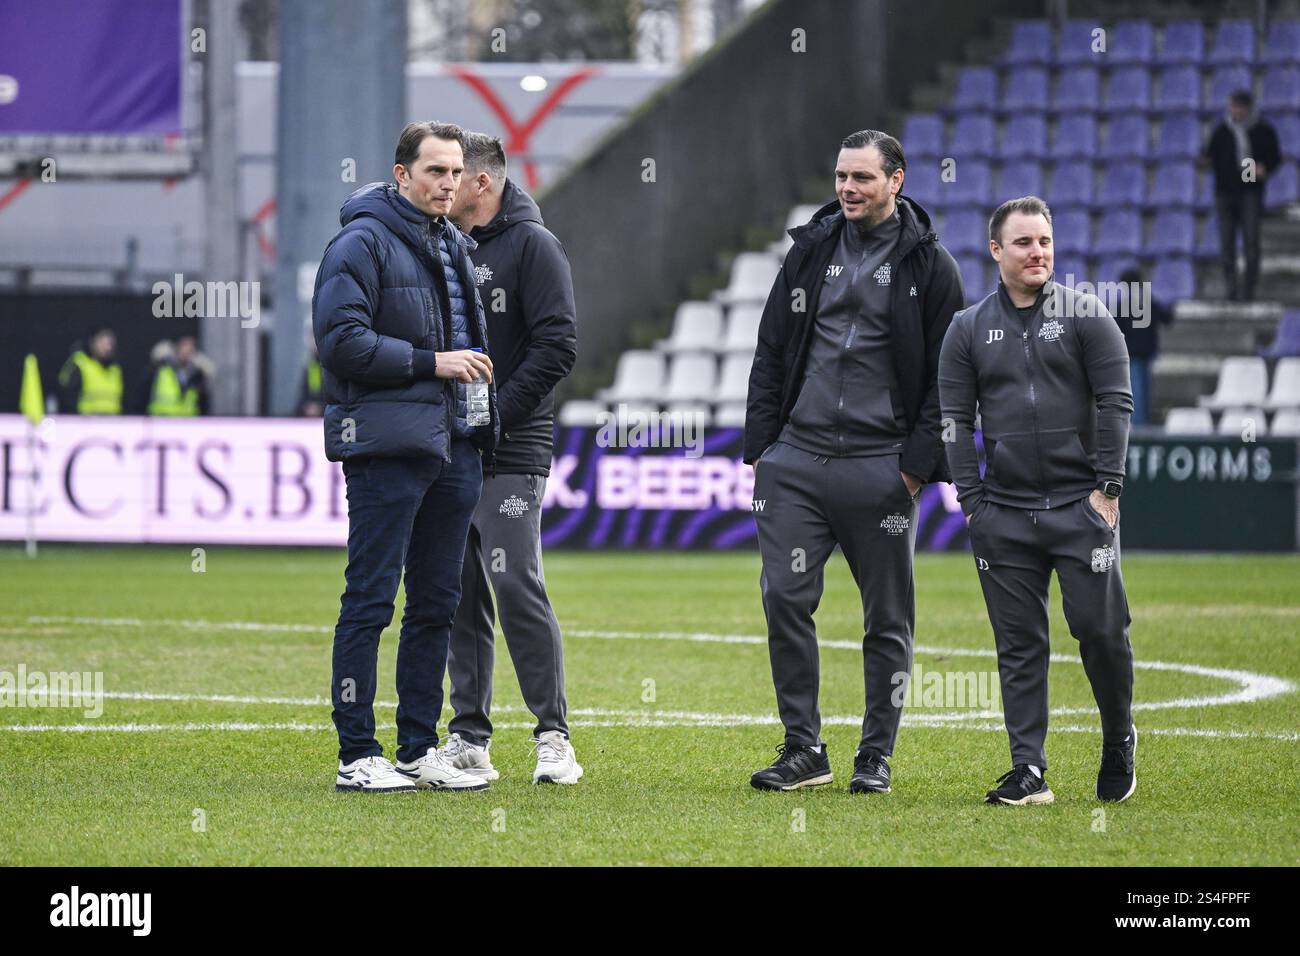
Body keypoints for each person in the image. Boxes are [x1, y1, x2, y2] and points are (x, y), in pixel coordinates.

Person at [743, 129, 963, 794]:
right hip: (798, 463)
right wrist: (764, 452)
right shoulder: (812, 250)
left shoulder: (931, 266)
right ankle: (804, 748)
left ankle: (876, 755)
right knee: (784, 595)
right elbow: (772, 348)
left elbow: (948, 380)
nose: (847, 189)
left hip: (881, 468)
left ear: (896, 181)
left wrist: (915, 467)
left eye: (862, 178)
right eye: (841, 176)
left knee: (886, 617)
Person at [313, 120, 499, 794]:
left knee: (436, 604)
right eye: (434, 172)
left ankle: (419, 748)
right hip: (387, 447)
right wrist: (433, 364)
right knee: (370, 599)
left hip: (454, 446)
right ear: (401, 175)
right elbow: (340, 342)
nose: (448, 183)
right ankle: (357, 753)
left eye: (454, 172)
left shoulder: (451, 243)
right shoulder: (360, 242)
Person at [938, 196, 1136, 806]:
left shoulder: (1088, 315)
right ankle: (1029, 770)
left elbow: (1116, 403)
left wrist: (1107, 490)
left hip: (1082, 508)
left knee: (1099, 632)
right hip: (1004, 516)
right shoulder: (968, 327)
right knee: (1019, 645)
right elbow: (951, 420)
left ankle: (1117, 736)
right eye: (1023, 242)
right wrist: (972, 502)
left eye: (1044, 241)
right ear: (996, 251)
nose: (1037, 252)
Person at [445, 132, 581, 784]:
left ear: (482, 182)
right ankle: (468, 737)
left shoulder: (534, 245)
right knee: (457, 592)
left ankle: (554, 737)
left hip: (513, 449)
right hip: (449, 445)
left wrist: (496, 413)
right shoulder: (443, 244)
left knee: (513, 581)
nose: (440, 187)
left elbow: (558, 347)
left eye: (451, 175)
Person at [1201, 90, 1282, 302]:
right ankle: (1231, 289)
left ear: (1247, 108)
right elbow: (1208, 155)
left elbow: (1275, 157)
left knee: (1251, 244)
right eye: (1233, 106)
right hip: (1225, 193)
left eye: (1238, 107)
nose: (1235, 111)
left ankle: (1249, 290)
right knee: (1227, 244)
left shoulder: (1263, 131)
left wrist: (1264, 169)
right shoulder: (1222, 131)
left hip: (1250, 192)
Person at [1114, 267, 1173, 427]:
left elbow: (1115, 328)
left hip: (1131, 352)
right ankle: (1143, 420)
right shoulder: (1149, 301)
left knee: (1136, 389)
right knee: (1144, 388)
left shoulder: (1123, 304)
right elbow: (1167, 318)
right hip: (1148, 351)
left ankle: (1139, 423)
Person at [58, 328, 123, 415]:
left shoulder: (115, 370)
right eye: (102, 343)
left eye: (109, 344)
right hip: (86, 422)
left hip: (112, 422)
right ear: (92, 343)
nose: (107, 348)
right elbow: (66, 393)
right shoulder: (81, 364)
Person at [145, 335, 212, 416]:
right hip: (162, 420)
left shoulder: (197, 373)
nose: (187, 350)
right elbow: (144, 393)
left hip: (187, 422)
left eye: (191, 347)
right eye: (184, 345)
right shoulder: (162, 367)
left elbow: (203, 400)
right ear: (177, 347)